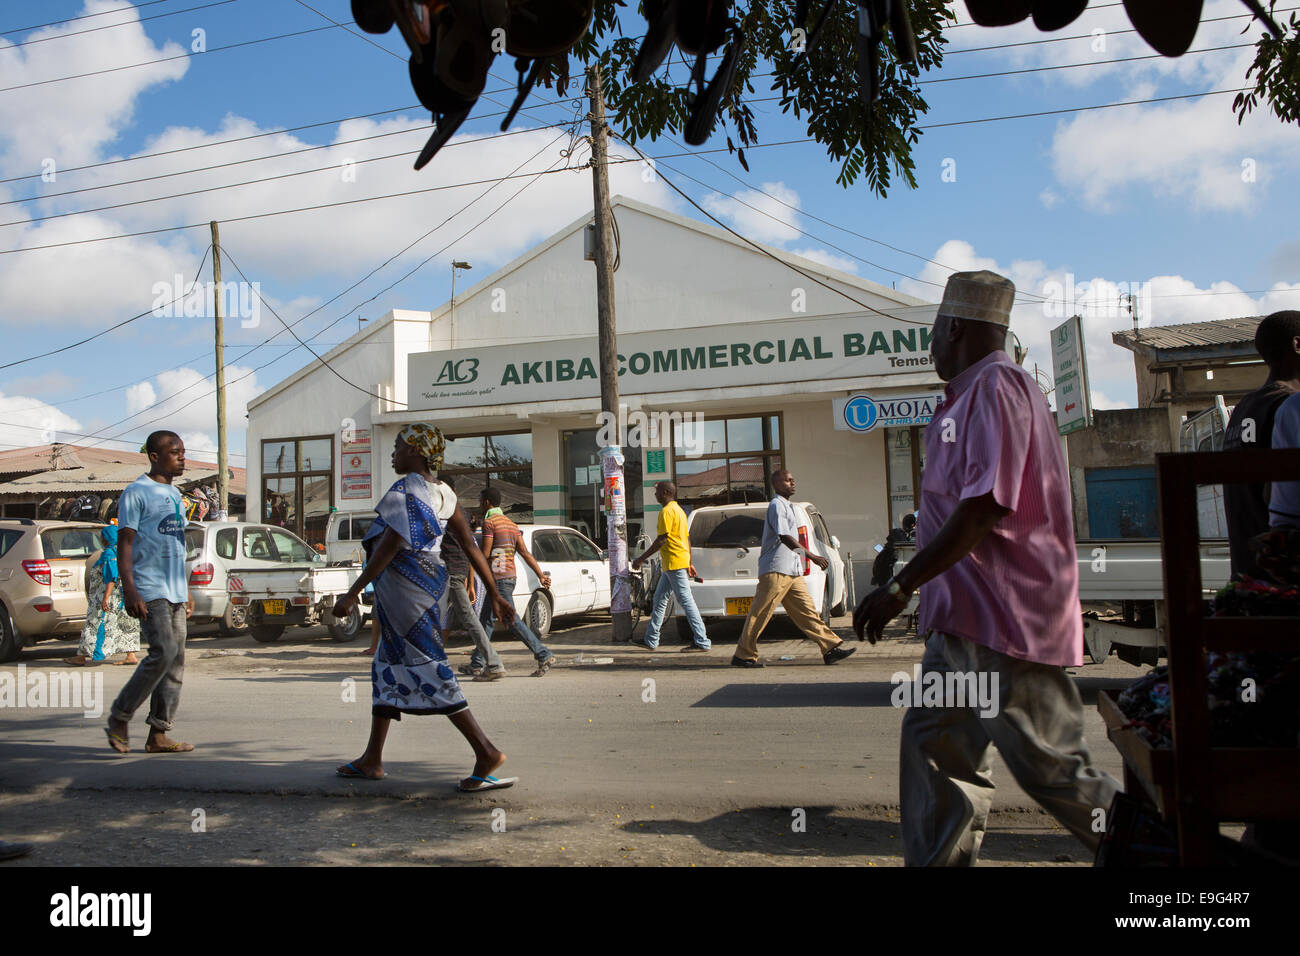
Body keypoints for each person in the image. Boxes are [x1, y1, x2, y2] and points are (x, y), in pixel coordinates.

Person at [854, 270, 1119, 866]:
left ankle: (1166, 858)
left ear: (956, 329)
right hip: (962, 621)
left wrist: (900, 585)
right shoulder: (975, 393)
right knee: (936, 751)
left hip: (1004, 615)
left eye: (936, 333)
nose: (931, 347)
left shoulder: (996, 388)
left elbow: (984, 507)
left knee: (1050, 764)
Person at [332, 424, 518, 791]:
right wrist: (494, 593)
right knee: (387, 667)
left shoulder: (408, 491)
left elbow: (390, 545)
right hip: (424, 587)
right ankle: (372, 758)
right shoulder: (444, 493)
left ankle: (485, 750)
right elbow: (469, 545)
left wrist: (353, 593)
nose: (394, 452)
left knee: (429, 668)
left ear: (415, 451)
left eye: (399, 446)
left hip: (408, 594)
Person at [104, 431, 195, 755]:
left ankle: (158, 734)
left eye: (183, 452)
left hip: (174, 591)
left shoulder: (175, 495)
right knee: (164, 652)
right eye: (175, 452)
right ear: (155, 456)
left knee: (176, 661)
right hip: (149, 587)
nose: (182, 457)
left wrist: (185, 590)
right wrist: (130, 589)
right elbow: (125, 542)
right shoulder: (136, 492)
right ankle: (120, 716)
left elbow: (176, 544)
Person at [732, 469, 856, 668]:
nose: (793, 483)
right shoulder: (777, 506)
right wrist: (812, 556)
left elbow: (792, 540)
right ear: (777, 484)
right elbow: (784, 537)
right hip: (776, 570)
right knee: (761, 613)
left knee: (807, 612)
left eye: (793, 480)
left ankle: (830, 647)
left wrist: (801, 562)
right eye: (788, 481)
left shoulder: (789, 506)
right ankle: (743, 654)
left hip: (792, 570)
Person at [1223, 311, 1300, 577]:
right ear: (1297, 345)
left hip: (1247, 575)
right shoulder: (1287, 407)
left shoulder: (1245, 408)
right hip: (1281, 580)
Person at [431, 476, 507, 681]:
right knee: (436, 616)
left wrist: (475, 583)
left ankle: (493, 663)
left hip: (452, 572)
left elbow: (469, 547)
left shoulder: (448, 512)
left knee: (468, 618)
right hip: (453, 571)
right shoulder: (460, 511)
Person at [477, 488, 557, 677]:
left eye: (481, 500)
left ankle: (544, 654)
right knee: (486, 620)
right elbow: (525, 553)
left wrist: (472, 567)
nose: (480, 504)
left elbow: (485, 554)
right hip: (509, 577)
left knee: (510, 620)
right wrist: (540, 575)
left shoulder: (489, 523)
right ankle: (477, 661)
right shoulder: (511, 525)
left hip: (498, 578)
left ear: (487, 502)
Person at [630, 481, 709, 651]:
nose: (655, 494)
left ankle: (702, 641)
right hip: (674, 563)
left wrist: (641, 558)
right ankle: (651, 639)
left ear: (665, 492)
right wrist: (689, 561)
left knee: (686, 601)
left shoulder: (666, 512)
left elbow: (661, 540)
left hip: (674, 562)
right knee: (659, 599)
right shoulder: (679, 510)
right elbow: (686, 538)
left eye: (657, 492)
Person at [69, 525, 141, 666]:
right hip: (124, 596)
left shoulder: (109, 554)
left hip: (109, 597)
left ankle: (81, 656)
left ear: (106, 538)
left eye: (102, 536)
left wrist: (106, 597)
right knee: (125, 625)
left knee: (94, 624)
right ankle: (131, 655)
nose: (101, 539)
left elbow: (111, 577)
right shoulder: (125, 552)